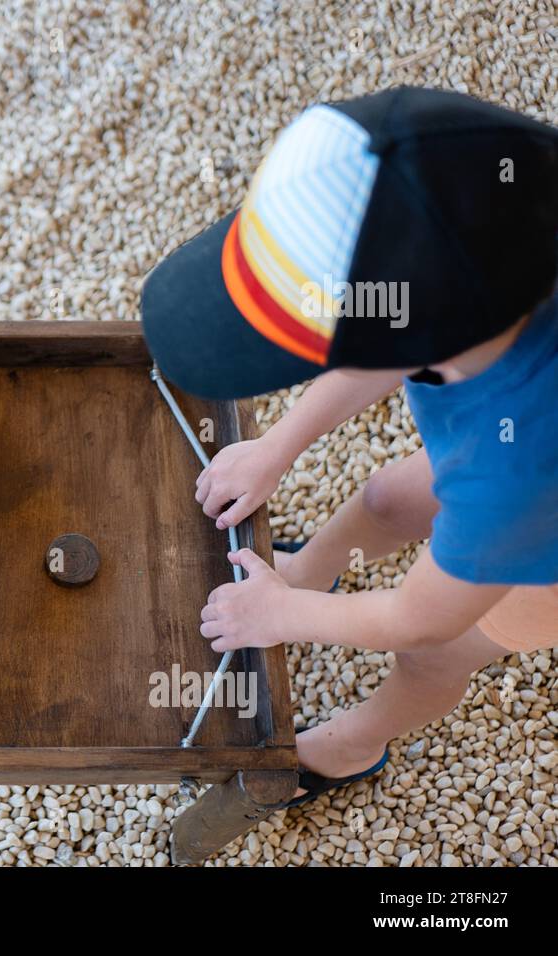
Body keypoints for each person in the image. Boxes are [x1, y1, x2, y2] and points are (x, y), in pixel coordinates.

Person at [142, 86, 558, 806]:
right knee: (386, 497)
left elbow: (422, 616)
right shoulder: (506, 223)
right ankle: (308, 570)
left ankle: (356, 741)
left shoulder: (513, 476)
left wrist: (283, 618)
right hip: (519, 446)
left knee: (436, 655)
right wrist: (279, 443)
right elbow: (392, 342)